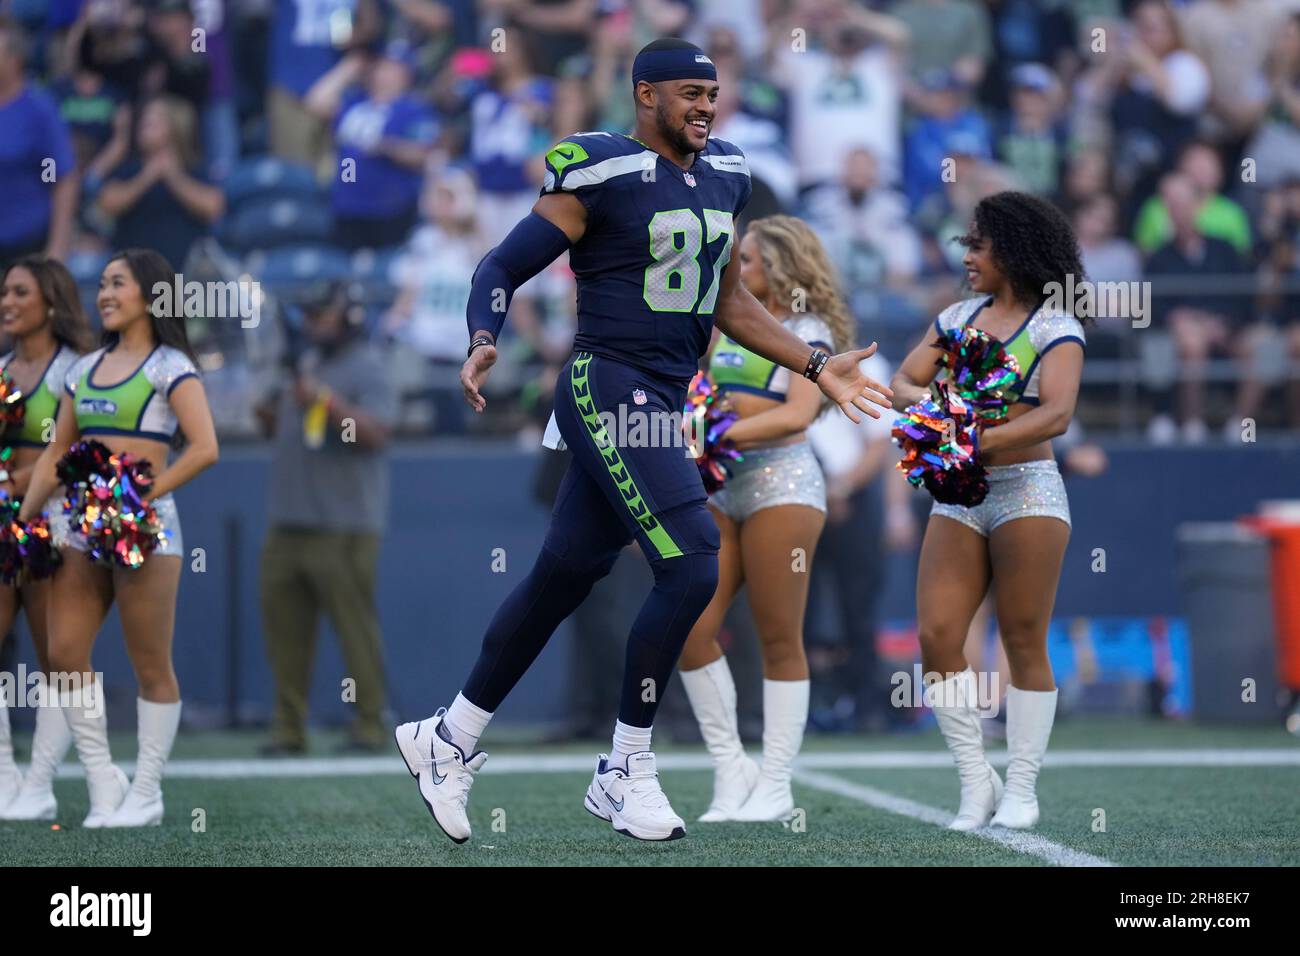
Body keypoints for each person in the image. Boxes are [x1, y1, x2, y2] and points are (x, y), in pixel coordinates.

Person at [394, 38, 892, 844]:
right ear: (645, 94)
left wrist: (817, 361)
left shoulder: (728, 173)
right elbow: (500, 262)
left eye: (713, 92)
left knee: (564, 575)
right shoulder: (600, 168)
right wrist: (483, 332)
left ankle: (446, 738)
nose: (705, 105)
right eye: (689, 92)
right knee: (694, 559)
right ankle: (626, 766)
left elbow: (729, 302)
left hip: (665, 390)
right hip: (607, 377)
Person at [890, 192, 1086, 831]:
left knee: (1024, 636)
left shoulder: (1055, 326)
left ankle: (1023, 788)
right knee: (938, 635)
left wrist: (966, 435)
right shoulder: (955, 316)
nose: (967, 256)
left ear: (1016, 250)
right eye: (966, 245)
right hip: (960, 495)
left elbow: (1055, 414)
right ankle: (977, 783)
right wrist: (941, 412)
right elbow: (902, 382)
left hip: (1029, 488)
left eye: (979, 245)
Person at [18, 248, 219, 827]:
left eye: (117, 284)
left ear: (151, 295)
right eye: (101, 284)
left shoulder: (170, 367)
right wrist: (25, 521)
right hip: (83, 528)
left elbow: (205, 447)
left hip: (147, 532)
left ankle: (148, 791)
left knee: (150, 663)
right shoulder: (82, 371)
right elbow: (58, 452)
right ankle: (106, 780)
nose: (104, 294)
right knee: (62, 653)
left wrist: (144, 496)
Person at [675, 215, 854, 822]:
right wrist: (698, 433)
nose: (737, 269)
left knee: (779, 635)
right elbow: (698, 394)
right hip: (722, 486)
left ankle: (777, 781)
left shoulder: (809, 328)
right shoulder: (724, 325)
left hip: (784, 483)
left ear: (778, 265)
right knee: (690, 628)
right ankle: (731, 769)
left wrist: (704, 437)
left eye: (747, 261)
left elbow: (795, 416)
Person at [256, 281, 398, 754]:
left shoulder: (370, 365)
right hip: (287, 519)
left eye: (323, 316)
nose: (313, 325)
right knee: (284, 636)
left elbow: (377, 433)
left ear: (350, 318)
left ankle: (371, 723)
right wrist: (265, 409)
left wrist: (326, 402)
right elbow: (279, 427)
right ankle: (288, 728)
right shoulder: (304, 364)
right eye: (310, 317)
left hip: (345, 524)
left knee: (355, 630)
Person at [0, 256, 94, 820]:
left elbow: (77, 454)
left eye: (19, 293)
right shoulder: (2, 368)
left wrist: (24, 488)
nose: (7, 303)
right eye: (4, 293)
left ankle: (40, 784)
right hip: (6, 516)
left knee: (55, 654)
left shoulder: (77, 371)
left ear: (51, 303)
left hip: (55, 522)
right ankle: (5, 775)